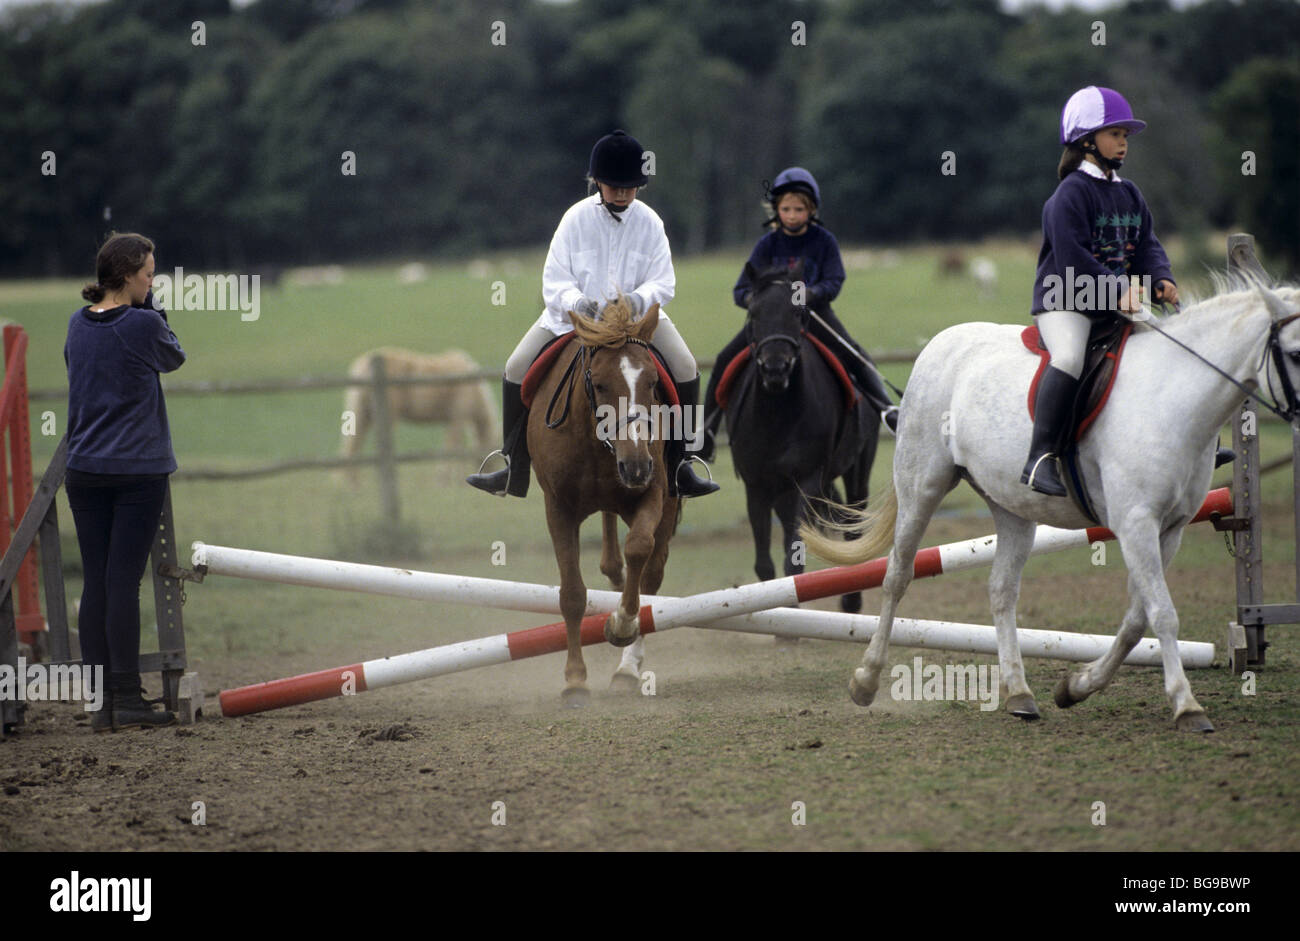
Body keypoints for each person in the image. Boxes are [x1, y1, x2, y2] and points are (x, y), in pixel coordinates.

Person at [467, 130, 718, 499]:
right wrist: (582, 305)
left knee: (685, 366)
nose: (622, 192)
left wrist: (633, 301)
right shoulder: (574, 220)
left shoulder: (650, 223)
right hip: (573, 320)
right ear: (597, 181)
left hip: (637, 323)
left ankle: (684, 463)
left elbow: (663, 282)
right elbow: (553, 281)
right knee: (515, 366)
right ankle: (512, 465)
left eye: (630, 185)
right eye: (614, 185)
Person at [1024, 86, 1178, 496]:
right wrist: (1117, 289)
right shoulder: (1070, 194)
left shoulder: (1128, 193)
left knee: (1167, 350)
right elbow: (1073, 262)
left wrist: (1161, 277)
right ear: (1087, 140)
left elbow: (1147, 244)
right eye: (1115, 135)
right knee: (1071, 358)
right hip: (1065, 300)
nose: (1123, 143)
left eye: (1126, 136)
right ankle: (1040, 457)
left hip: (1111, 302)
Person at [65, 232, 184, 731]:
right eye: (149, 274)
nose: (152, 281)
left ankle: (101, 704)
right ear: (130, 273)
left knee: (97, 582)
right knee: (122, 583)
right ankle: (128, 698)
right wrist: (152, 307)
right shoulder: (141, 324)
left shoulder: (76, 323)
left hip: (83, 469)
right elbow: (173, 355)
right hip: (135, 470)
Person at [699, 167, 897, 462]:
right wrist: (759, 301)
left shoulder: (824, 241)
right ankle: (706, 431)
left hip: (815, 315)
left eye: (799, 209)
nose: (792, 215)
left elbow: (834, 280)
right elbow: (741, 289)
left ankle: (887, 409)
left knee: (854, 353)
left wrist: (810, 295)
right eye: (786, 209)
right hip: (771, 322)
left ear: (811, 210)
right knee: (726, 359)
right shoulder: (767, 244)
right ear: (776, 210)